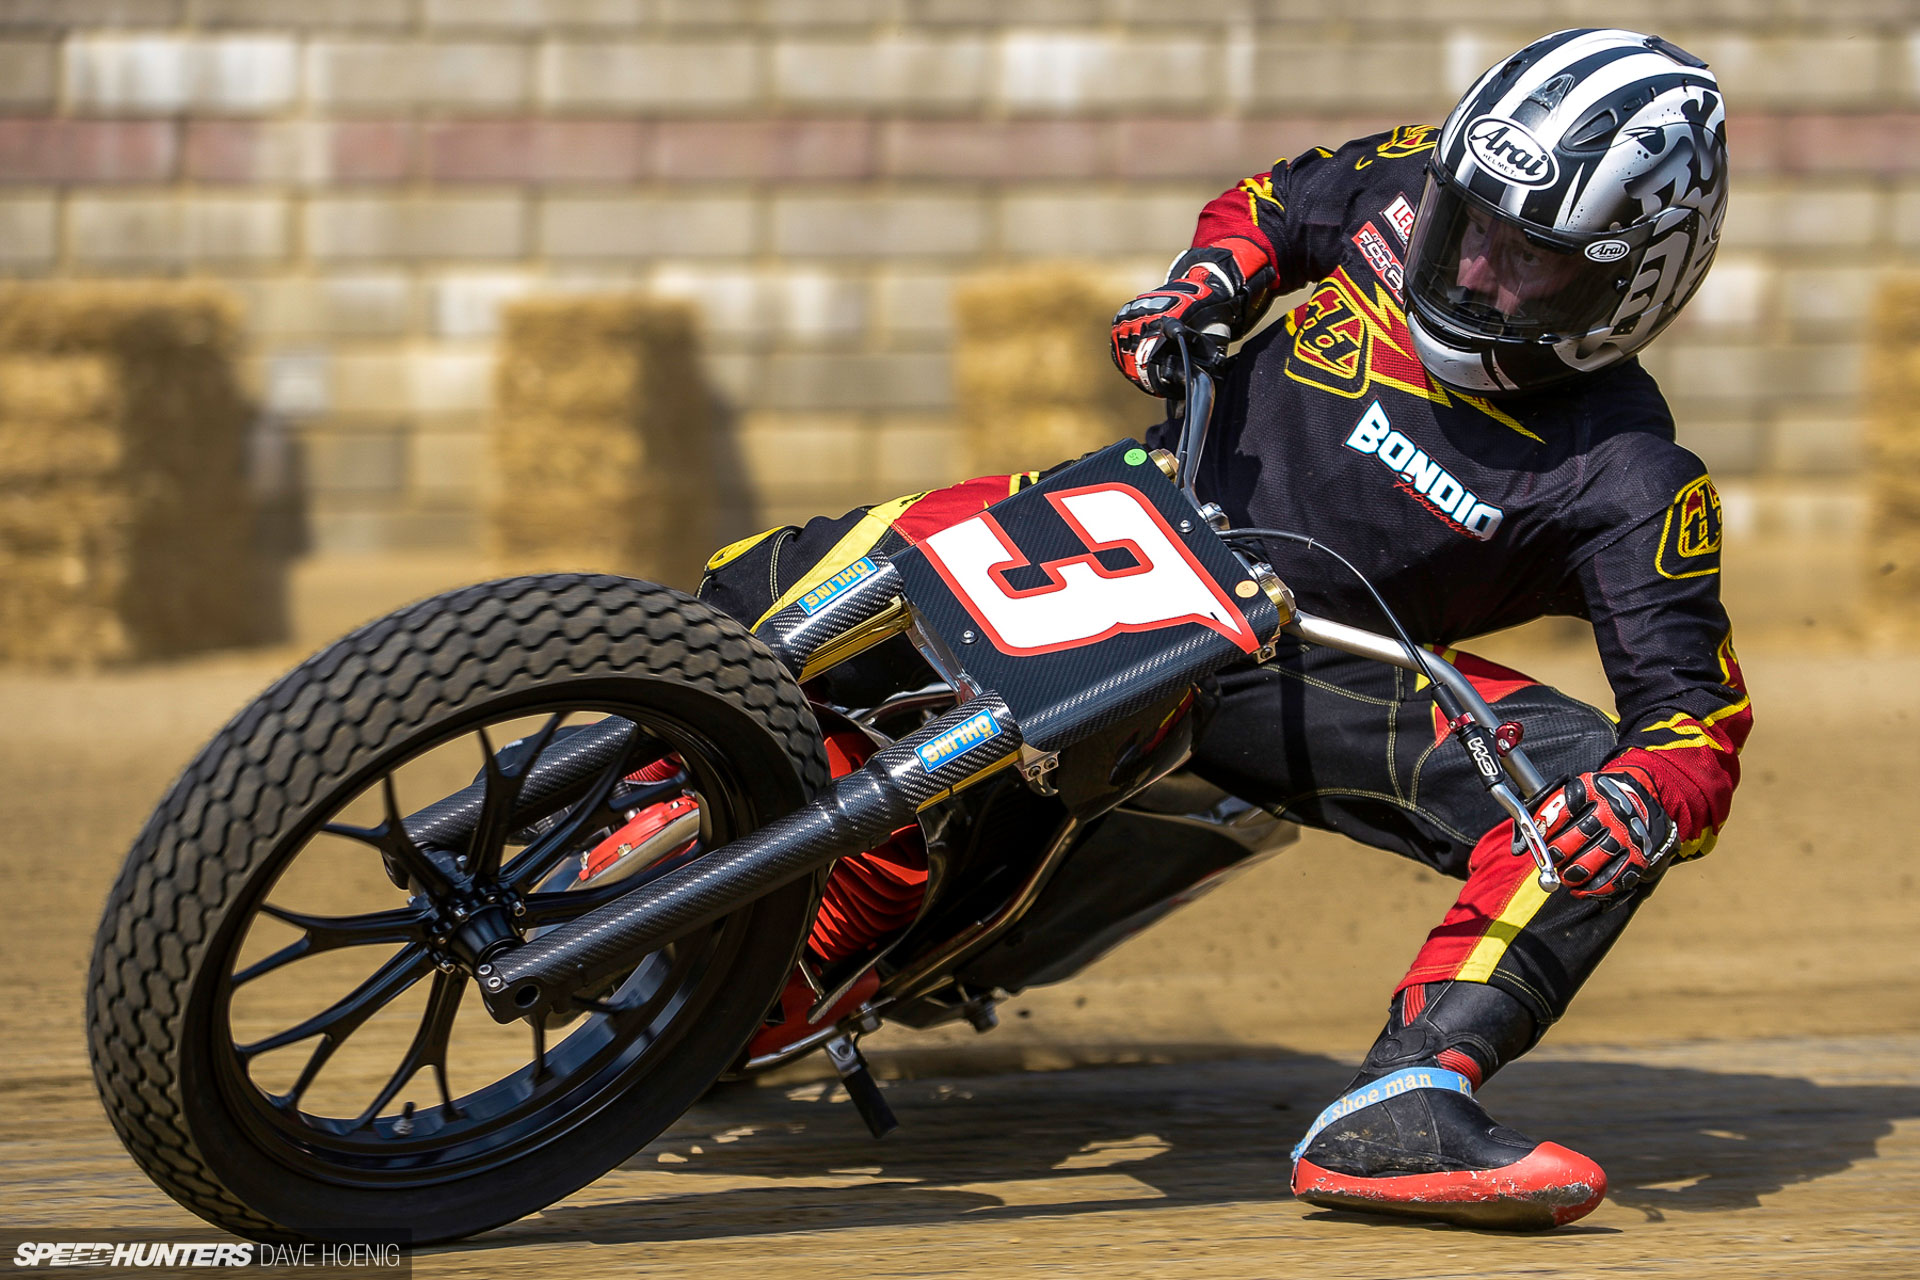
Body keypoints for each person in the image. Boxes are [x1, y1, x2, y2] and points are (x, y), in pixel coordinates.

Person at [697, 28, 1749, 1230]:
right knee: (767, 580)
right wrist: (1203, 282)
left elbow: (1696, 724)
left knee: (1585, 790)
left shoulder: (1633, 480)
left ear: (1637, 281)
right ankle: (630, 717)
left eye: (1533, 264)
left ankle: (1405, 1097)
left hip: (1288, 659)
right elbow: (1270, 204)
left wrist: (1648, 792)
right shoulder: (1407, 176)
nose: (1482, 276)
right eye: (1472, 229)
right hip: (1124, 509)